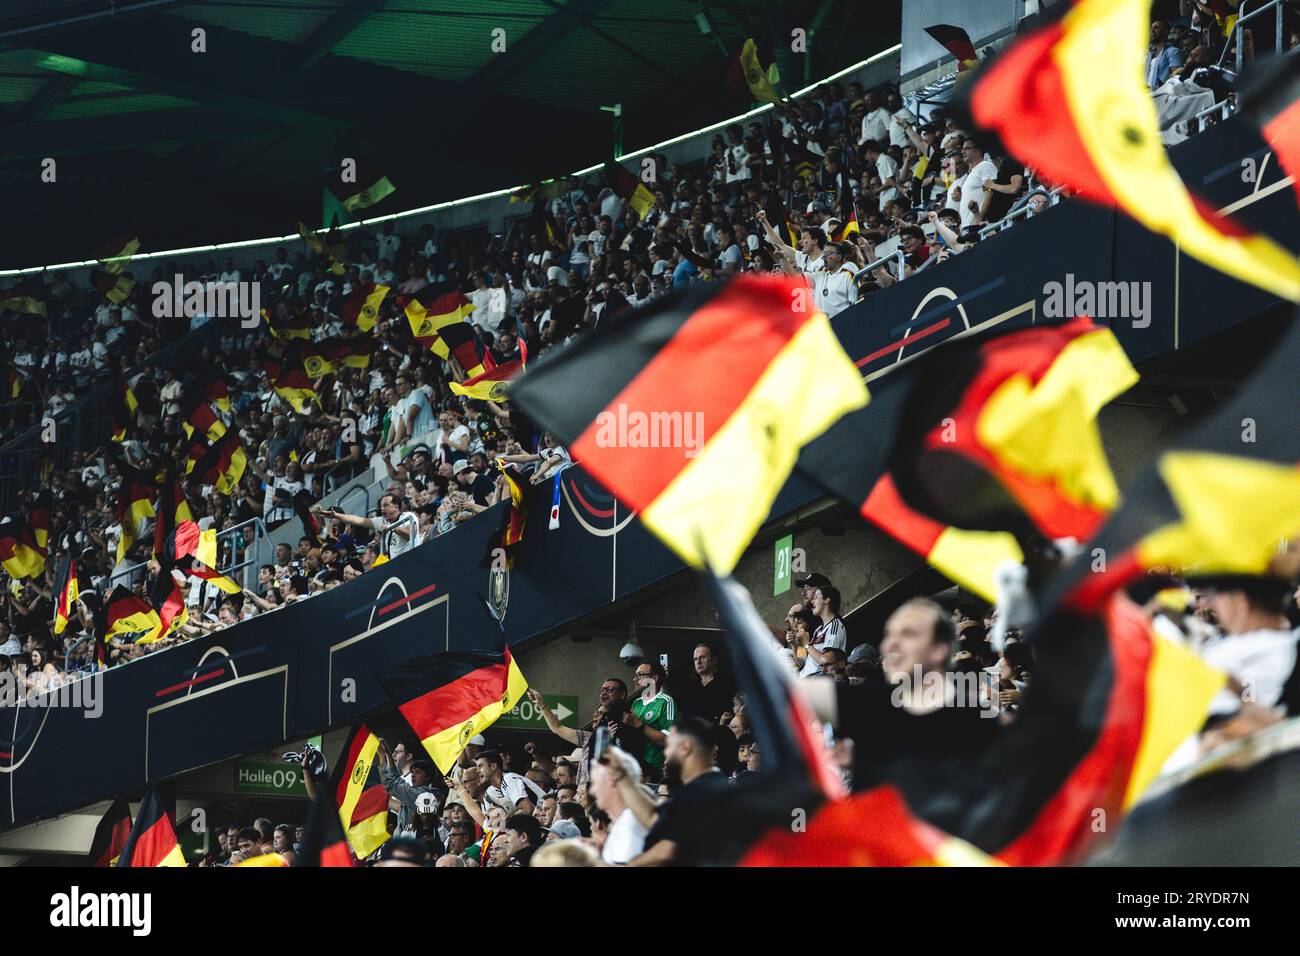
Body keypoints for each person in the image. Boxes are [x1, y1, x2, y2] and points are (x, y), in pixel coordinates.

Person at [326, 492, 418, 559]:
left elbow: (411, 534)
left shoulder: (408, 516)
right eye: (381, 506)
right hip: (396, 563)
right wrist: (336, 515)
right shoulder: (382, 521)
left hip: (412, 558)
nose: (382, 509)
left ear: (396, 507)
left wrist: (392, 528)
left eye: (386, 505)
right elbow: (356, 520)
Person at [627, 660, 676, 777]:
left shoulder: (666, 701)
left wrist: (638, 724)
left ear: (654, 678)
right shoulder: (635, 703)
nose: (635, 679)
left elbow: (668, 741)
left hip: (654, 769)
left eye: (639, 675)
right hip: (634, 769)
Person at [674, 642, 736, 725]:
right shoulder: (690, 685)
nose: (698, 662)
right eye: (695, 659)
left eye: (702, 657)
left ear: (714, 660)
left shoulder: (728, 683)